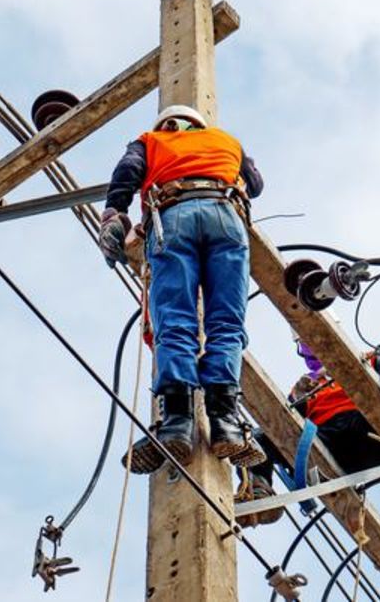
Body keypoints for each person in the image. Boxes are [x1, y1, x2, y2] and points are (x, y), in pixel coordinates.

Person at [99, 104, 265, 474]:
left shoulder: (150, 141)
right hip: (226, 216)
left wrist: (113, 213)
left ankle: (176, 424)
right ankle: (225, 422)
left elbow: (128, 171)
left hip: (173, 215)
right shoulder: (226, 140)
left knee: (175, 323)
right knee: (227, 324)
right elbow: (255, 185)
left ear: (166, 125)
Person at [238, 340, 380, 527]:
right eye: (305, 346)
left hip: (369, 428)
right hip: (326, 442)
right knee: (255, 438)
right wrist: (297, 399)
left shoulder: (368, 358)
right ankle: (257, 490)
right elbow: (285, 427)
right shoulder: (309, 384)